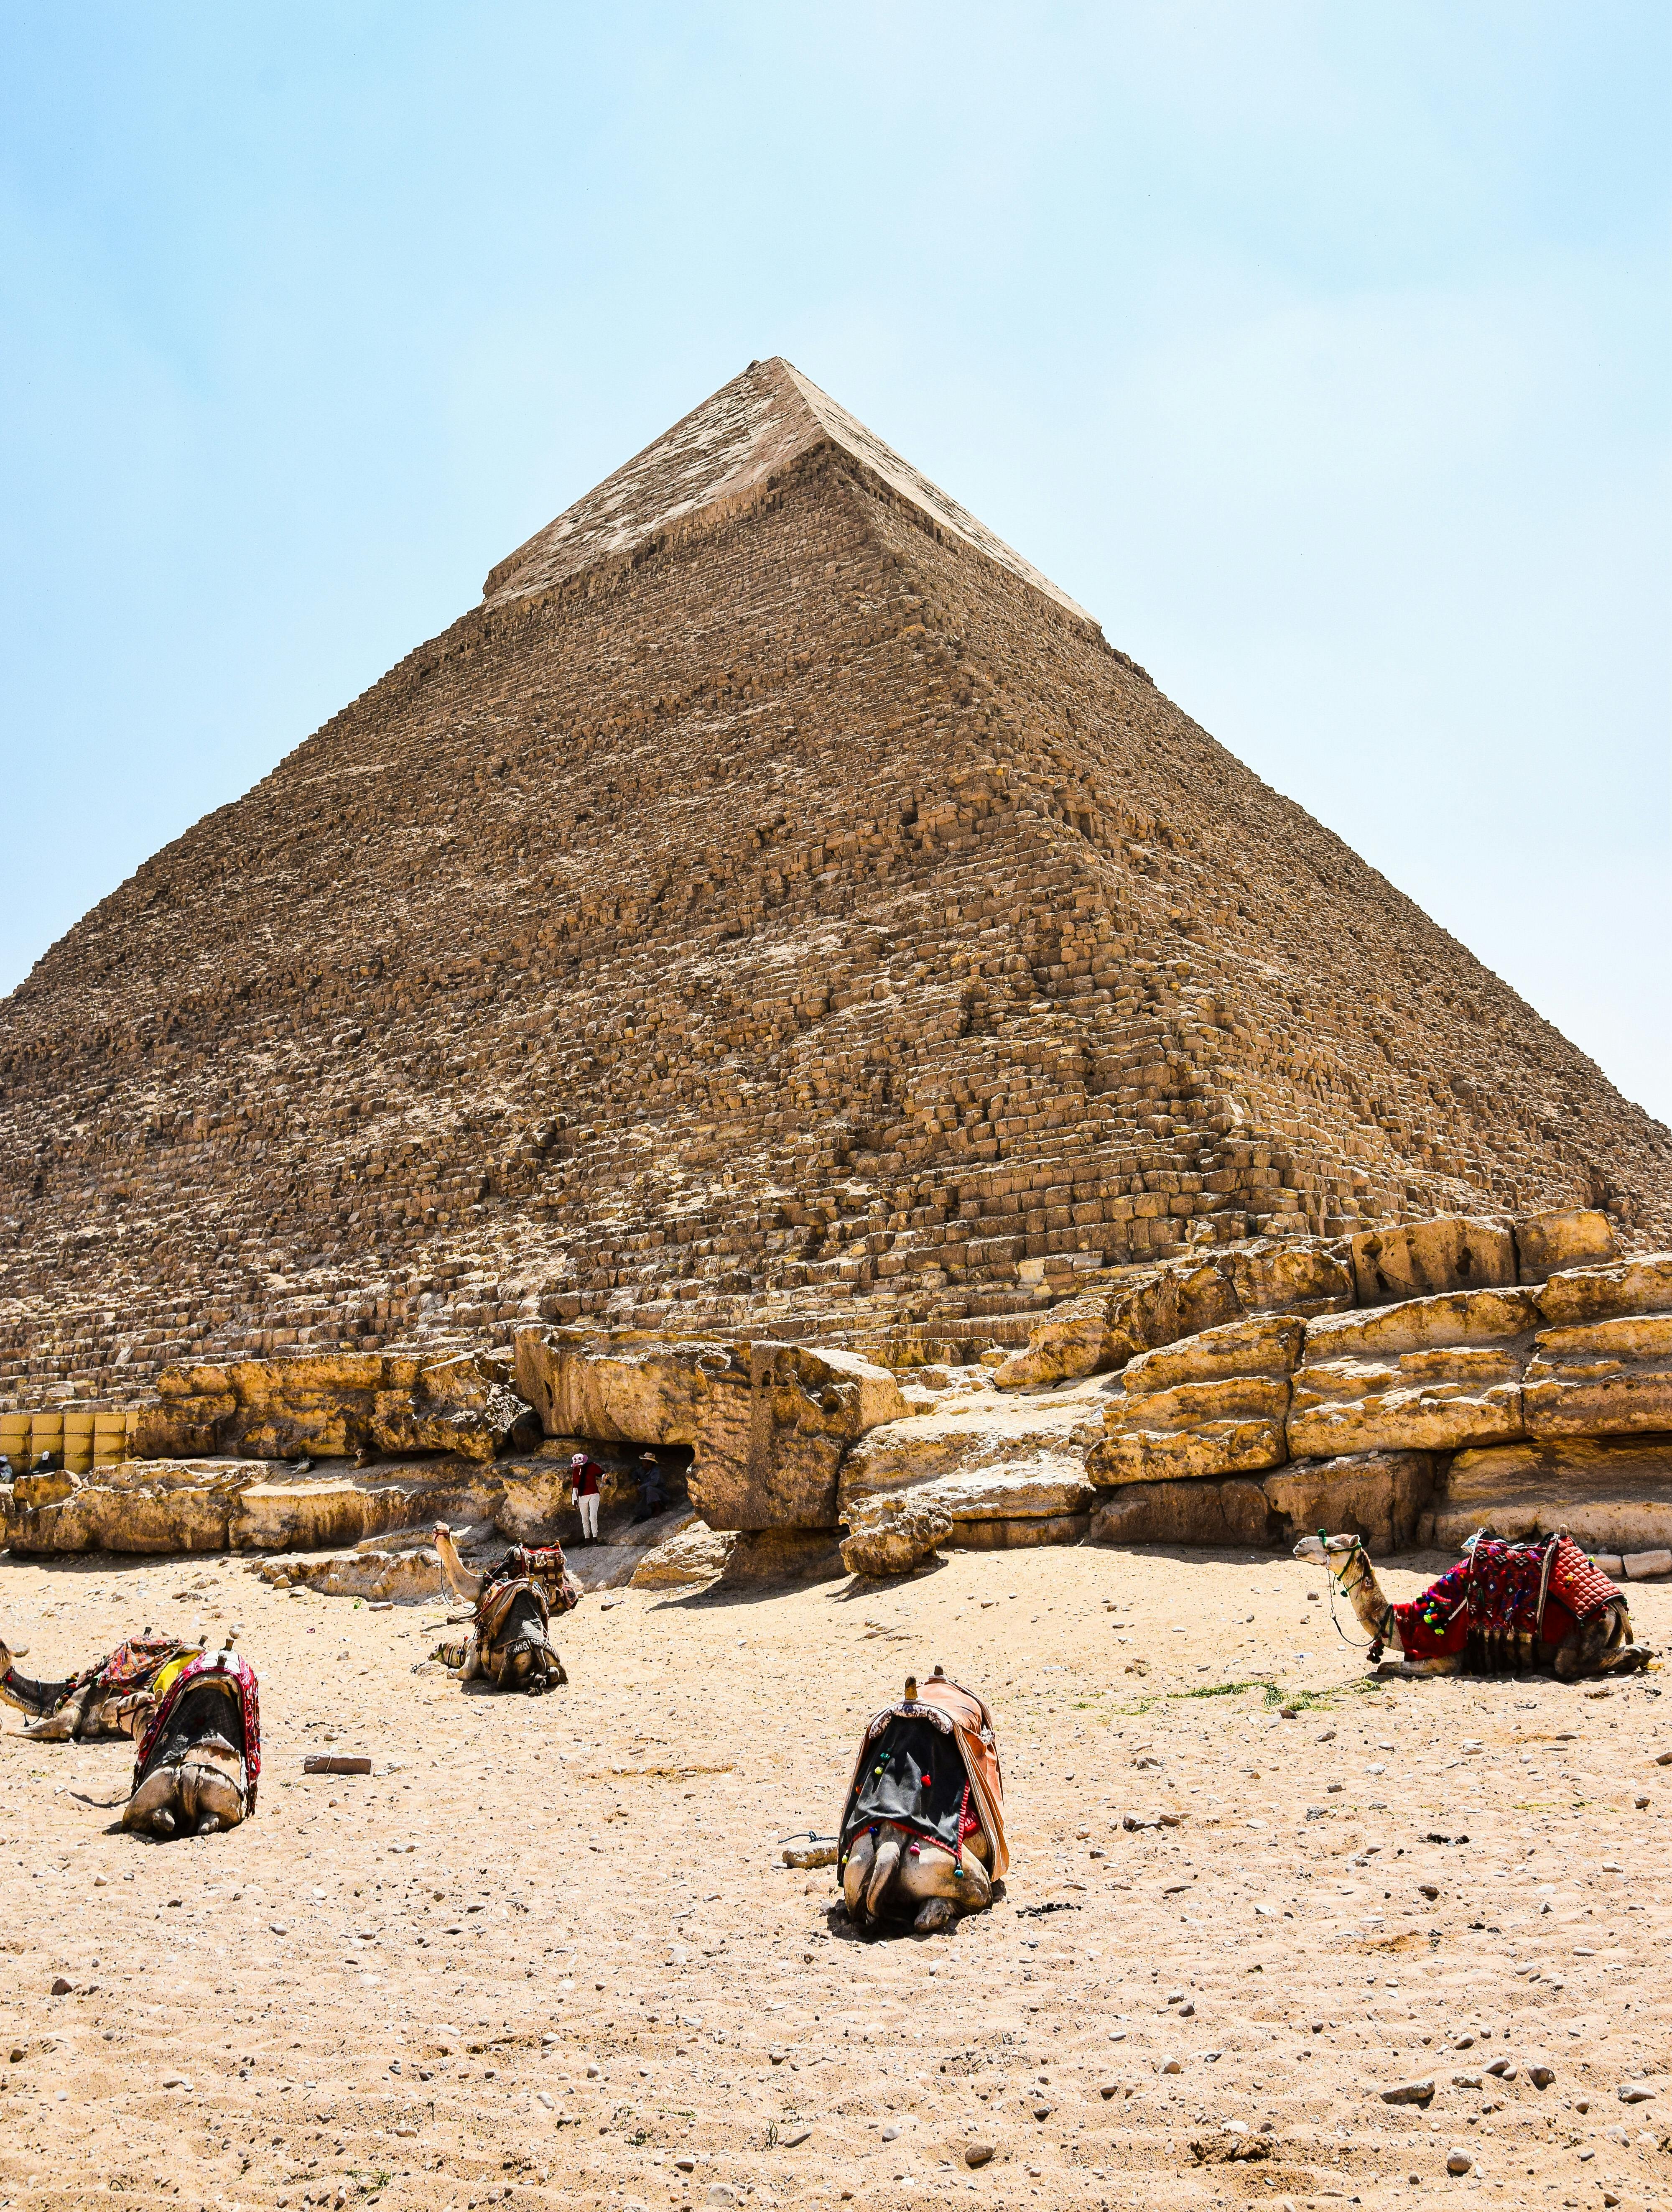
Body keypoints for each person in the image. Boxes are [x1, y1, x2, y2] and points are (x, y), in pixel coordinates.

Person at [569, 1450, 603, 1544]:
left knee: (593, 1517)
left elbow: (601, 1473)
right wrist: (575, 1499)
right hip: (582, 1497)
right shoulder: (576, 1471)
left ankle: (595, 1539)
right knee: (585, 1518)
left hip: (594, 1494)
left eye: (579, 1464)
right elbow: (575, 1486)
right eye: (577, 1465)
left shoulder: (592, 1466)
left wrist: (605, 1478)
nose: (578, 1466)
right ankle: (587, 1539)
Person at [632, 1450, 666, 1525]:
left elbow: (653, 1483)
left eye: (644, 1462)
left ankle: (658, 1509)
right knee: (640, 1507)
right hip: (649, 1495)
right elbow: (635, 1472)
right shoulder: (643, 1470)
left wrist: (641, 1487)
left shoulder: (656, 1471)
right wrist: (636, 1479)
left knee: (650, 1489)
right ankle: (646, 1513)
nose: (643, 1463)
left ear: (650, 1463)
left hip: (661, 1495)